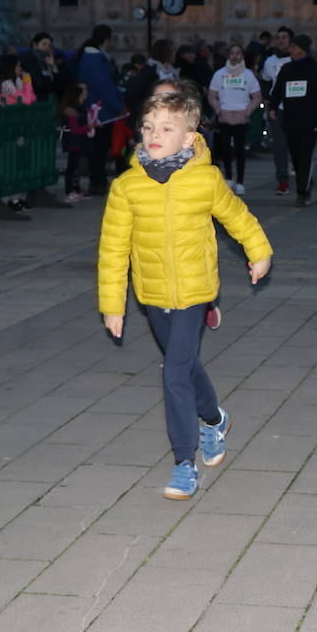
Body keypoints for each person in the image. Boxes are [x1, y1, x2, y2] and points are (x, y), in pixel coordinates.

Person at [98, 91, 273, 499]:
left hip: (195, 291)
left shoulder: (205, 179)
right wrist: (112, 304)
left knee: (173, 373)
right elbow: (113, 248)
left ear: (189, 136)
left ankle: (183, 463)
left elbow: (237, 216)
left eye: (166, 128)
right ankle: (214, 419)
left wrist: (259, 252)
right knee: (187, 365)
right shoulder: (127, 187)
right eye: (148, 127)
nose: (154, 134)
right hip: (152, 293)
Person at [269, 33, 317, 207]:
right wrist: (273, 107)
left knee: (305, 157)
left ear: (303, 49)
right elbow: (278, 90)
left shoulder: (316, 69)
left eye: (294, 46)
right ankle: (305, 182)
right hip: (290, 121)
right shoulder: (287, 69)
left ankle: (302, 192)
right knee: (296, 158)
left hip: (309, 122)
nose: (291, 49)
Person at [74, 24, 126, 195]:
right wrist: (118, 107)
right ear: (107, 40)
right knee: (99, 149)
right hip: (99, 112)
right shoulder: (95, 61)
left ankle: (97, 181)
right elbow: (105, 87)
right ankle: (97, 182)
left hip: (95, 109)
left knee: (97, 149)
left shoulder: (89, 58)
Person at [207, 43, 261, 193]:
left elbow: (257, 97)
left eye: (238, 52)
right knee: (225, 149)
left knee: (240, 150)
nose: (235, 55)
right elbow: (212, 95)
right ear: (228, 55)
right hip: (224, 116)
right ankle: (229, 179)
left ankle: (241, 182)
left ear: (242, 56)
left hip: (241, 117)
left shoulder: (248, 75)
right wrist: (219, 110)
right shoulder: (219, 74)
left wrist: (247, 112)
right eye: (232, 52)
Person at [262, 28, 294, 194]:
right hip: (278, 109)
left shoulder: (296, 59)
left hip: (296, 109)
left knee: (296, 145)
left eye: (284, 37)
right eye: (278, 37)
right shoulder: (269, 62)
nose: (281, 40)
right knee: (279, 146)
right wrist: (267, 100)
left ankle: (303, 176)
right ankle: (282, 181)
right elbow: (266, 83)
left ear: (290, 40)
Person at [61, 82, 96, 201]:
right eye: (82, 96)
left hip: (77, 142)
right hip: (73, 142)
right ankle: (69, 190)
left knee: (75, 166)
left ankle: (74, 189)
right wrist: (89, 127)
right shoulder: (72, 111)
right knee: (72, 167)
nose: (84, 98)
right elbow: (75, 129)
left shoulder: (77, 110)